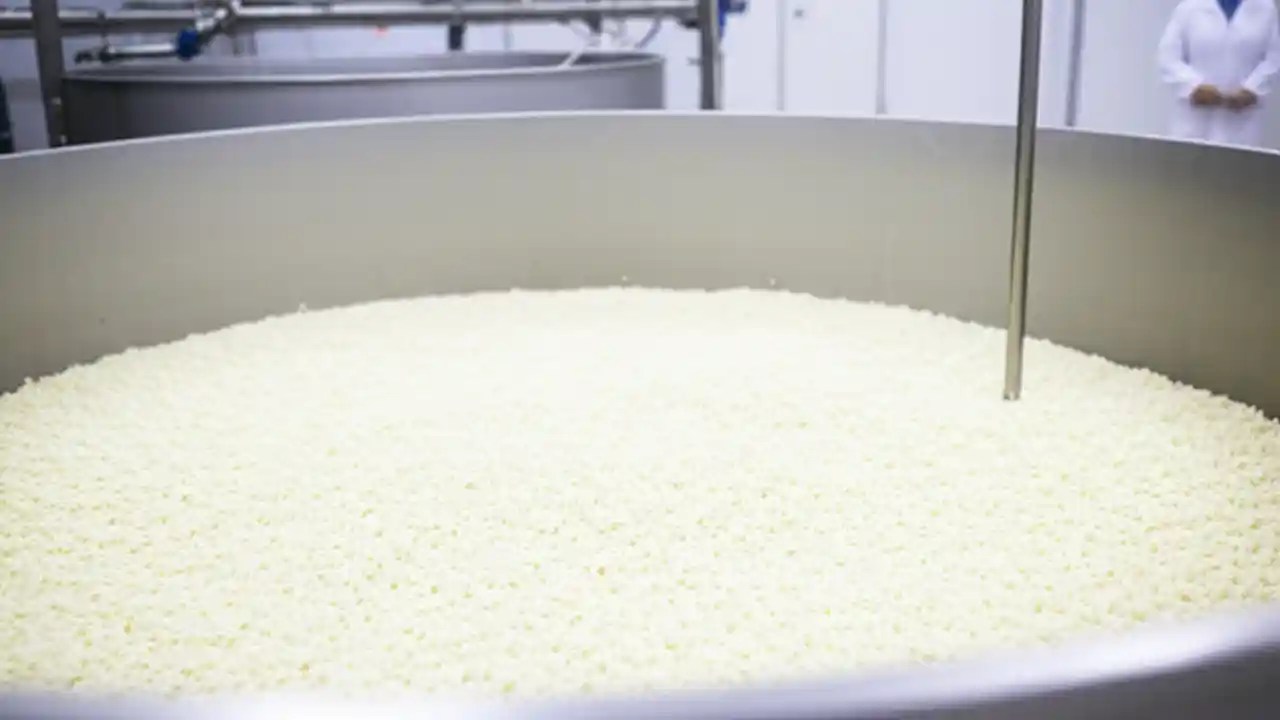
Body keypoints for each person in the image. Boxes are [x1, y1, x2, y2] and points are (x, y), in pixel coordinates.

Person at [1158, 0, 1280, 146]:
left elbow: (1274, 59)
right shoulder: (1189, 7)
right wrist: (1193, 86)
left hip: (1241, 124)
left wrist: (1253, 89)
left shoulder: (1265, 8)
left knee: (1238, 166)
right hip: (1194, 122)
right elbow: (1168, 57)